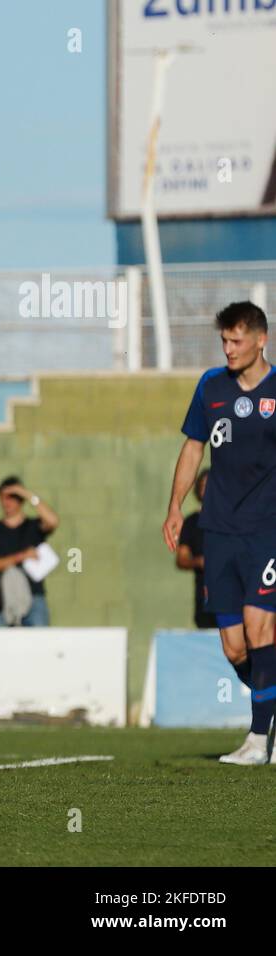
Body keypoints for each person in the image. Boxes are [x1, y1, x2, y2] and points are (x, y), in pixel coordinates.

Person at [164, 301, 276, 765]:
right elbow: (193, 447)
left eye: (236, 341)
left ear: (261, 340)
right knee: (233, 646)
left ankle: (257, 739)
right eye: (224, 341)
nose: (228, 349)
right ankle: (269, 712)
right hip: (219, 529)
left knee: (259, 626)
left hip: (268, 529)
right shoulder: (211, 387)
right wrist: (174, 505)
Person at [0, 477, 59, 627]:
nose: (7, 502)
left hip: (34, 596)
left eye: (12, 497)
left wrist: (27, 494)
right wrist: (22, 556)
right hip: (3, 598)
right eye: (3, 497)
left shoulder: (34, 526)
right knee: (0, 647)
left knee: (40, 645)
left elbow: (53, 521)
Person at [176, 469, 215, 630]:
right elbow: (181, 559)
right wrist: (198, 561)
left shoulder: (233, 520)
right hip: (204, 596)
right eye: (204, 485)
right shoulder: (192, 523)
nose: (207, 489)